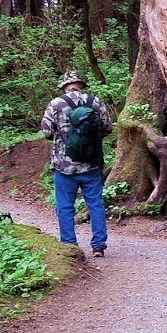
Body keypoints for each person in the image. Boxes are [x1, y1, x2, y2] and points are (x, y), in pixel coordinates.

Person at [41, 71, 112, 257]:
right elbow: (107, 128)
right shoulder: (95, 102)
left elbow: (46, 132)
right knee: (95, 203)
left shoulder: (56, 104)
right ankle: (98, 246)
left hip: (64, 166)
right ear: (81, 84)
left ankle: (70, 246)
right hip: (92, 163)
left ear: (65, 86)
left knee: (65, 206)